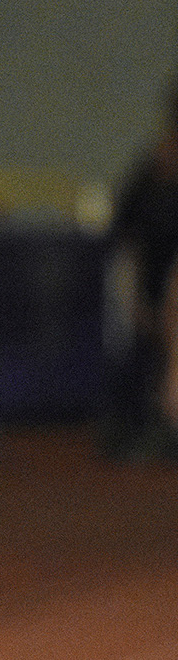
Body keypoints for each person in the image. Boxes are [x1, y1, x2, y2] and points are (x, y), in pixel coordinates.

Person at [104, 82, 178, 456]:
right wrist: (134, 296)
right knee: (144, 357)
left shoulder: (155, 167)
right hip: (153, 282)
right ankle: (138, 428)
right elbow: (123, 230)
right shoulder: (154, 168)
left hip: (162, 285)